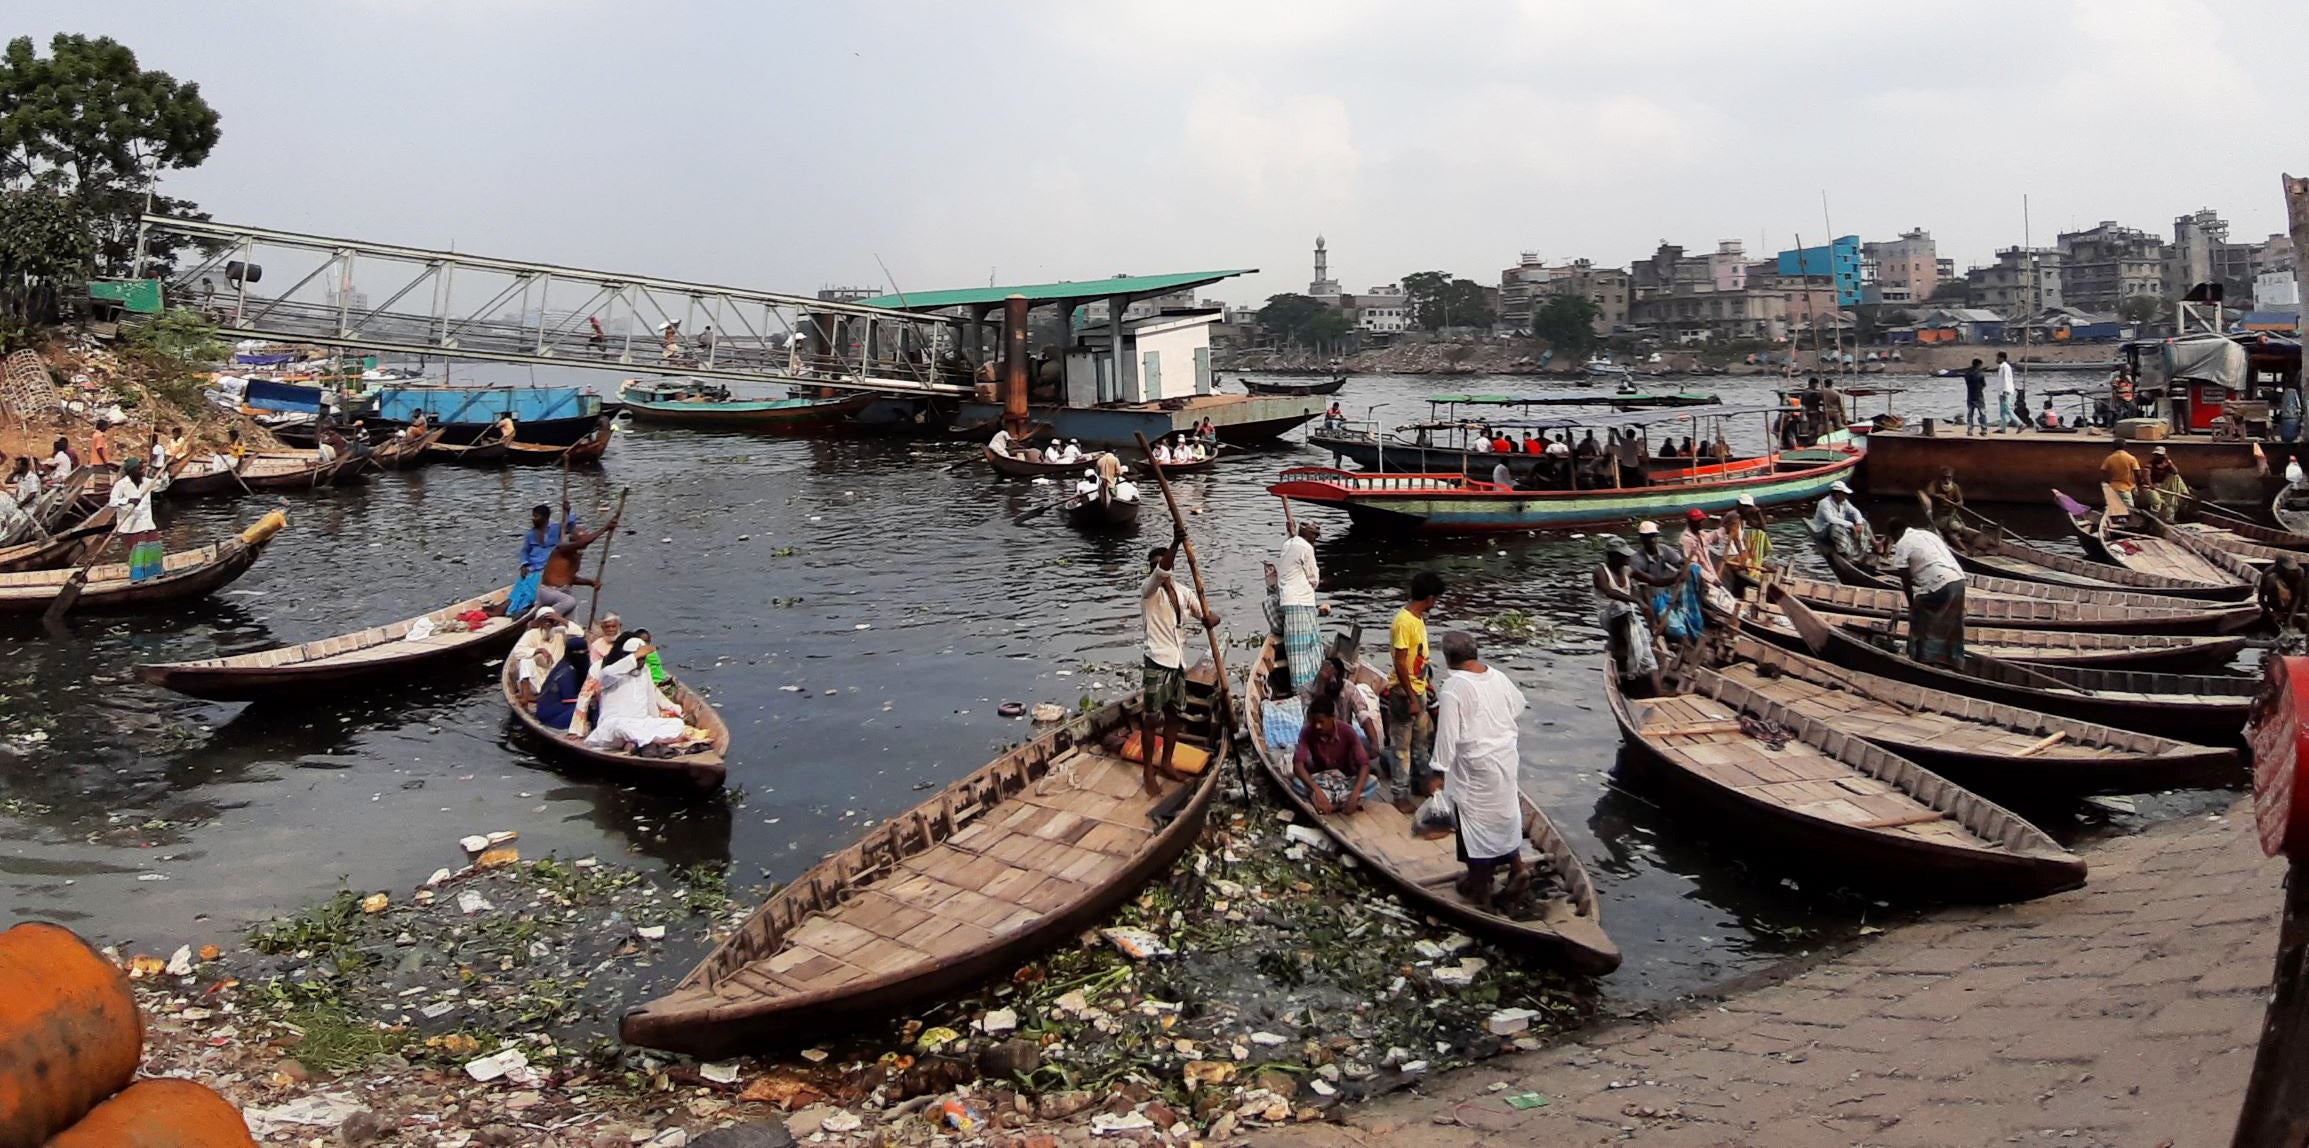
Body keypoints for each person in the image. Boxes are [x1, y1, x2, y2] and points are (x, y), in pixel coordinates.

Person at [1430, 631, 1529, 910]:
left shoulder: (1454, 687)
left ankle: (1481, 889)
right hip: (1505, 757)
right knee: (1505, 814)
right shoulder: (1497, 676)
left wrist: (1437, 771)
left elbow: (1446, 735)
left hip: (1475, 765)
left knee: (1472, 825)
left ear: (1448, 658)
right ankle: (1517, 868)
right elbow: (1518, 705)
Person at [1139, 543, 1219, 794]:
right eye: (1153, 566)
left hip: (1177, 663)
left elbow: (1206, 614)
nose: (1158, 569)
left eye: (1161, 563)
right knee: (1152, 719)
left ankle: (1166, 764)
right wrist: (1175, 542)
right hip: (1157, 661)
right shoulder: (1148, 591)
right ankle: (1148, 772)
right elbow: (1161, 571)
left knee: (1174, 716)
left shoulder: (1183, 593)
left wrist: (1211, 619)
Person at [1384, 571, 1444, 806]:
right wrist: (1411, 697)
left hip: (1418, 691)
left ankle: (1420, 784)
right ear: (1429, 598)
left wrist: (1423, 690)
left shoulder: (1417, 619)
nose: (1435, 604)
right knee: (1402, 749)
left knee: (1421, 743)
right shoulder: (1404, 622)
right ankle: (1400, 795)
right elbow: (1400, 662)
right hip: (1404, 694)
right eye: (1435, 599)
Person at [1884, 515, 1966, 666]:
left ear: (1896, 533)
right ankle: (1952, 659)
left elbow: (1905, 579)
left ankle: (1923, 657)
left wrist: (1911, 604)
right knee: (1952, 622)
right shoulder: (1928, 534)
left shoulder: (1902, 543)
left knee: (1919, 613)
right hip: (1959, 581)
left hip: (1941, 583)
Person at [586, 634, 690, 752]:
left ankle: (641, 742)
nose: (640, 662)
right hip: (614, 726)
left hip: (641, 724)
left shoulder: (645, 671)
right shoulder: (609, 672)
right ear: (625, 657)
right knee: (622, 728)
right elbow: (610, 673)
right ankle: (655, 740)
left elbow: (651, 702)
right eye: (638, 659)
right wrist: (635, 656)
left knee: (677, 724)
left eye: (643, 659)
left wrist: (656, 722)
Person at [1292, 678, 1379, 815]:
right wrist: (1317, 790)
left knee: (1373, 782)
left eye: (1321, 722)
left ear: (1332, 717)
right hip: (1322, 780)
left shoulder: (1348, 731)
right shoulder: (1307, 731)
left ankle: (1333, 803)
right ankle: (1336, 802)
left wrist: (1355, 793)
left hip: (1345, 780)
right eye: (1314, 722)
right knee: (1297, 783)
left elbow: (1364, 764)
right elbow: (1298, 764)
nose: (1317, 726)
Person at [1596, 539, 1666, 695]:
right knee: (1620, 606)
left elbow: (1654, 580)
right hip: (1608, 617)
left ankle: (1659, 692)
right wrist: (1636, 600)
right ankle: (1617, 641)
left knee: (1646, 649)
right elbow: (1609, 592)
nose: (1627, 558)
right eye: (1623, 556)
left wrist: (1677, 577)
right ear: (1613, 556)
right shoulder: (1600, 571)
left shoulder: (1627, 570)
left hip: (1628, 615)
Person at [543, 500, 620, 619]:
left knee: (573, 623)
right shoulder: (562, 549)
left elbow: (570, 578)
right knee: (570, 602)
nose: (584, 546)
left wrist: (590, 583)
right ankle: (546, 618)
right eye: (581, 542)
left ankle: (560, 622)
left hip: (564, 592)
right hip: (548, 592)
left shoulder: (577, 554)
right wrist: (605, 528)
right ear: (573, 541)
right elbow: (585, 542)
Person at [1277, 521, 1322, 691]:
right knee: (1303, 651)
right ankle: (1302, 689)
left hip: (1290, 601)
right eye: (1314, 536)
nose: (1315, 540)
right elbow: (1314, 578)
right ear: (1307, 535)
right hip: (1299, 602)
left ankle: (1311, 685)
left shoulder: (1288, 544)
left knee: (1308, 646)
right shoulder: (1306, 548)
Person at [107, 458, 167, 582]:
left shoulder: (146, 482)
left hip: (147, 523)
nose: (142, 471)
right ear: (132, 471)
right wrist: (128, 500)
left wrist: (166, 473)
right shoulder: (121, 484)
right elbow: (112, 502)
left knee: (154, 546)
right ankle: (138, 578)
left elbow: (162, 485)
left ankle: (155, 573)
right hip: (130, 526)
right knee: (139, 552)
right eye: (139, 469)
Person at [516, 504, 576, 615]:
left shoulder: (557, 529)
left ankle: (526, 607)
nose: (533, 519)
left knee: (534, 589)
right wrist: (524, 564)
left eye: (536, 516)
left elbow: (571, 526)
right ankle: (515, 608)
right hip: (533, 568)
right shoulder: (530, 534)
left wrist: (568, 511)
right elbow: (525, 552)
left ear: (545, 517)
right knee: (520, 588)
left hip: (548, 569)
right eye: (533, 516)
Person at [535, 636, 590, 731]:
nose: (584, 656)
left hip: (555, 706)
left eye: (585, 653)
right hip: (549, 713)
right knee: (588, 707)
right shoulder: (567, 672)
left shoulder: (567, 664)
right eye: (579, 653)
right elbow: (569, 699)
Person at [1811, 481, 1873, 560]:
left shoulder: (1844, 502)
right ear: (1837, 494)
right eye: (1844, 494)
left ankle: (1862, 552)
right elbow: (1831, 519)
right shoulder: (1824, 503)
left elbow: (1855, 511)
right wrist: (1851, 525)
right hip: (1823, 532)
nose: (1846, 496)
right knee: (1836, 527)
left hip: (1840, 529)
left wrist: (1859, 524)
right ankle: (1847, 554)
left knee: (1863, 522)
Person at [1722, 495, 1773, 582]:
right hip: (1728, 553)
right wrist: (1742, 556)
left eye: (1748, 507)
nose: (1746, 509)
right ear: (1738, 505)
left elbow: (1764, 528)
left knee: (1760, 534)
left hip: (1736, 552)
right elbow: (1735, 538)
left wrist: (1758, 513)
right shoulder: (1734, 516)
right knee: (1752, 566)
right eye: (1744, 506)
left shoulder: (1744, 517)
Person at [2139, 446, 2190, 519]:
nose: (2157, 457)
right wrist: (2150, 484)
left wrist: (2169, 461)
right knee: (2156, 501)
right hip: (2150, 487)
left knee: (2176, 477)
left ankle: (2184, 493)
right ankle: (2154, 518)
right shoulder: (2150, 464)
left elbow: (2175, 472)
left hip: (2163, 485)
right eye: (2156, 455)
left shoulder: (2166, 464)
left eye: (2159, 455)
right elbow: (2146, 476)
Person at [2261, 556, 2309, 630]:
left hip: (2294, 602)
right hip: (2276, 603)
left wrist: (2290, 617)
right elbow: (2261, 597)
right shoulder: (2269, 572)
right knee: (2271, 578)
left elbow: (2298, 597)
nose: (2290, 572)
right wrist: (2270, 613)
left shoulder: (2298, 572)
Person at [1921, 467, 1965, 539]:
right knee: (1950, 528)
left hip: (1952, 515)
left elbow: (1960, 500)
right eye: (1944, 477)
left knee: (1960, 528)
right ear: (1940, 477)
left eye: (1949, 477)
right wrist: (1937, 495)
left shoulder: (1955, 487)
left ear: (1952, 477)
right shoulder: (1934, 484)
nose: (1947, 480)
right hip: (1938, 515)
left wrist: (1960, 503)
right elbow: (1929, 492)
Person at [2100, 444, 2142, 509]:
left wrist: (2107, 482)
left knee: (2112, 509)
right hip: (2126, 488)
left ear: (2113, 447)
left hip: (2113, 488)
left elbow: (2103, 471)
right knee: (2130, 510)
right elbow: (2137, 472)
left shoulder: (2109, 458)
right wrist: (2139, 483)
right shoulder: (2131, 458)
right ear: (2124, 446)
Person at [1995, 351, 2026, 432]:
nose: (1996, 359)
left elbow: (2006, 380)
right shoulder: (2003, 367)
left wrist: (2004, 391)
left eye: (1998, 357)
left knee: (2007, 410)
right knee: (2003, 411)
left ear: (2002, 358)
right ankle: (2002, 428)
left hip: (2005, 391)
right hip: (2003, 391)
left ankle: (2020, 424)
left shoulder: (2005, 367)